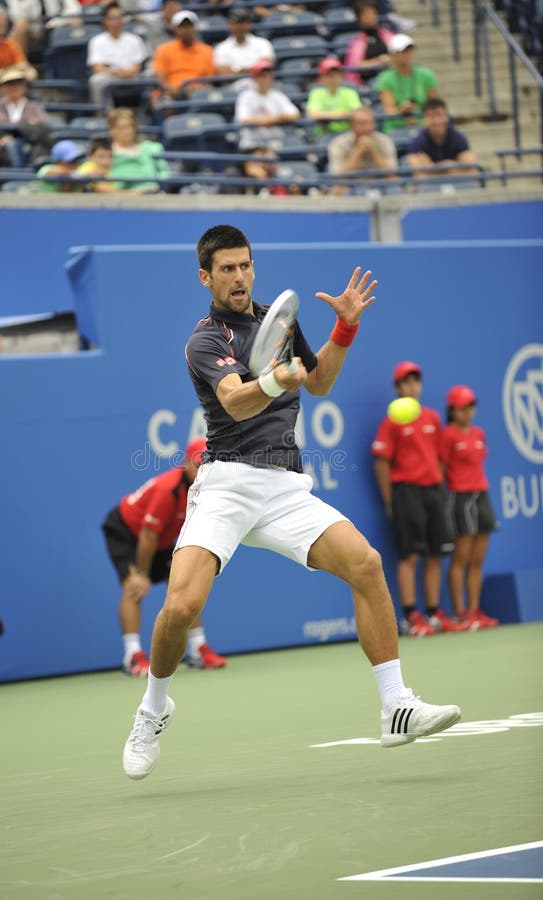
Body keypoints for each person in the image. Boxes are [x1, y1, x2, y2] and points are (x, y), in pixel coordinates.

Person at [122, 224, 461, 781]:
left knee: (368, 565)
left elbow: (320, 380)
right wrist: (277, 380)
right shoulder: (205, 339)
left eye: (245, 265)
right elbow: (233, 403)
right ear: (205, 277)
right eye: (227, 269)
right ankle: (153, 708)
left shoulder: (277, 321)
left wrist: (344, 329)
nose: (239, 276)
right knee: (180, 607)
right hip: (226, 483)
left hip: (283, 485)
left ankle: (395, 705)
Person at [102, 439, 227, 676]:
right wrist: (141, 573)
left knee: (186, 585)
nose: (203, 470)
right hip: (127, 530)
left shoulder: (206, 490)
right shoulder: (167, 488)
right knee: (134, 586)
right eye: (199, 464)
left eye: (208, 464)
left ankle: (198, 648)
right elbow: (148, 535)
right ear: (185, 463)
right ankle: (133, 656)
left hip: (160, 539)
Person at [372, 360, 460, 638]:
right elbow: (382, 463)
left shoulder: (433, 418)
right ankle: (411, 617)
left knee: (436, 554)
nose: (412, 386)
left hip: (433, 492)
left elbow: (442, 459)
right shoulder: (392, 422)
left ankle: (433, 614)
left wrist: (436, 482)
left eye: (415, 381)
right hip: (406, 493)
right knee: (410, 556)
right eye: (406, 382)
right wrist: (390, 501)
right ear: (398, 388)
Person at [441, 386, 499, 630]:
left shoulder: (479, 433)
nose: (468, 412)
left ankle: (475, 611)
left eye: (470, 407)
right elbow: (441, 469)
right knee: (461, 558)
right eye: (462, 407)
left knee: (477, 560)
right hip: (460, 499)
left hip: (482, 495)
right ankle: (461, 614)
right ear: (452, 410)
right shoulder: (448, 435)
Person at [374, 34, 439, 132]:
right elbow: (389, 111)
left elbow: (434, 106)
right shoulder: (385, 79)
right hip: (396, 128)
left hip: (424, 126)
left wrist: (426, 121)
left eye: (409, 50)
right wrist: (401, 110)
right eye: (402, 51)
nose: (407, 53)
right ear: (393, 54)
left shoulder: (427, 75)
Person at [87, 2, 148, 107]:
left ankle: (146, 115)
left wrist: (129, 72)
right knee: (96, 80)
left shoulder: (134, 39)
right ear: (105, 20)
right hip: (111, 76)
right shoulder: (97, 41)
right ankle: (105, 115)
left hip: (132, 76)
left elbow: (138, 65)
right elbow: (97, 68)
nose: (118, 20)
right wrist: (117, 72)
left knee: (150, 74)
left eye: (120, 17)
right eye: (113, 17)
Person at [234, 59, 301, 152]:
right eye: (261, 76)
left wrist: (275, 118)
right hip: (252, 144)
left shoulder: (278, 95)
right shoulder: (246, 96)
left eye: (268, 75)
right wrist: (264, 120)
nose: (265, 79)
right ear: (255, 79)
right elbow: (243, 119)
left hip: (277, 143)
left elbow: (295, 115)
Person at [0, 68, 53, 164]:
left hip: (32, 143)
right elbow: (1, 123)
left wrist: (14, 130)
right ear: (3, 87)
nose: (14, 87)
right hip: (5, 145)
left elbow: (41, 123)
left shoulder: (34, 106)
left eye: (18, 83)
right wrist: (28, 123)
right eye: (10, 84)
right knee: (11, 145)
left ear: (24, 86)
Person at [327, 106, 397, 195]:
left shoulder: (385, 141)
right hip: (351, 185)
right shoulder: (338, 144)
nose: (367, 128)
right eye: (362, 124)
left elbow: (391, 175)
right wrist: (358, 151)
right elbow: (339, 177)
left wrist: (374, 150)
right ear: (352, 126)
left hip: (380, 183)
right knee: (337, 189)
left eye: (370, 123)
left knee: (395, 187)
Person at [152, 10, 215, 102]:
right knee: (162, 101)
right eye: (182, 26)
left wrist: (197, 89)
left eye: (189, 26)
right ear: (175, 29)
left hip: (198, 93)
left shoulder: (207, 50)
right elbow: (160, 80)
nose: (186, 29)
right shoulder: (163, 50)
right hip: (171, 93)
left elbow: (209, 81)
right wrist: (178, 91)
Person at [405, 97, 478, 178]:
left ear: (447, 116)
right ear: (424, 119)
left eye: (439, 115)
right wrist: (449, 168)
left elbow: (472, 172)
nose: (436, 121)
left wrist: (432, 169)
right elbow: (419, 177)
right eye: (431, 116)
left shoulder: (459, 138)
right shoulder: (417, 142)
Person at [108, 106, 167, 191]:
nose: (129, 131)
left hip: (154, 195)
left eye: (131, 126)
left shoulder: (151, 149)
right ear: (112, 130)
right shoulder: (107, 154)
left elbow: (163, 174)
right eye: (123, 127)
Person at [213, 8, 275, 81]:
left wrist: (238, 70)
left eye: (243, 22)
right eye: (236, 23)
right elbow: (224, 73)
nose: (240, 27)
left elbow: (266, 68)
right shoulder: (221, 47)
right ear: (229, 25)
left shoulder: (263, 43)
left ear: (249, 24)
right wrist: (253, 69)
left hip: (260, 85)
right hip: (234, 88)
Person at [306, 57, 362, 137]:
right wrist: (342, 114)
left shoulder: (350, 92)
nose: (333, 78)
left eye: (336, 75)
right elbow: (313, 114)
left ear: (341, 76)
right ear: (323, 77)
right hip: (324, 134)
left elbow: (357, 113)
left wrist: (325, 115)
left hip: (347, 133)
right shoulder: (316, 93)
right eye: (329, 75)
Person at [344, 0, 394, 87]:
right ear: (359, 18)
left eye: (373, 13)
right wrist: (379, 61)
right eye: (366, 14)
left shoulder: (387, 35)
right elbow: (356, 66)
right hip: (368, 83)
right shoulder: (357, 41)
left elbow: (399, 57)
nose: (371, 16)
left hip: (391, 78)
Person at [5, 0, 82, 55]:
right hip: (31, 26)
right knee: (20, 25)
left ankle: (65, 66)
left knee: (76, 20)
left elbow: (74, 8)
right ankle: (20, 64)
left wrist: (57, 22)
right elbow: (16, 15)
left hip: (55, 25)